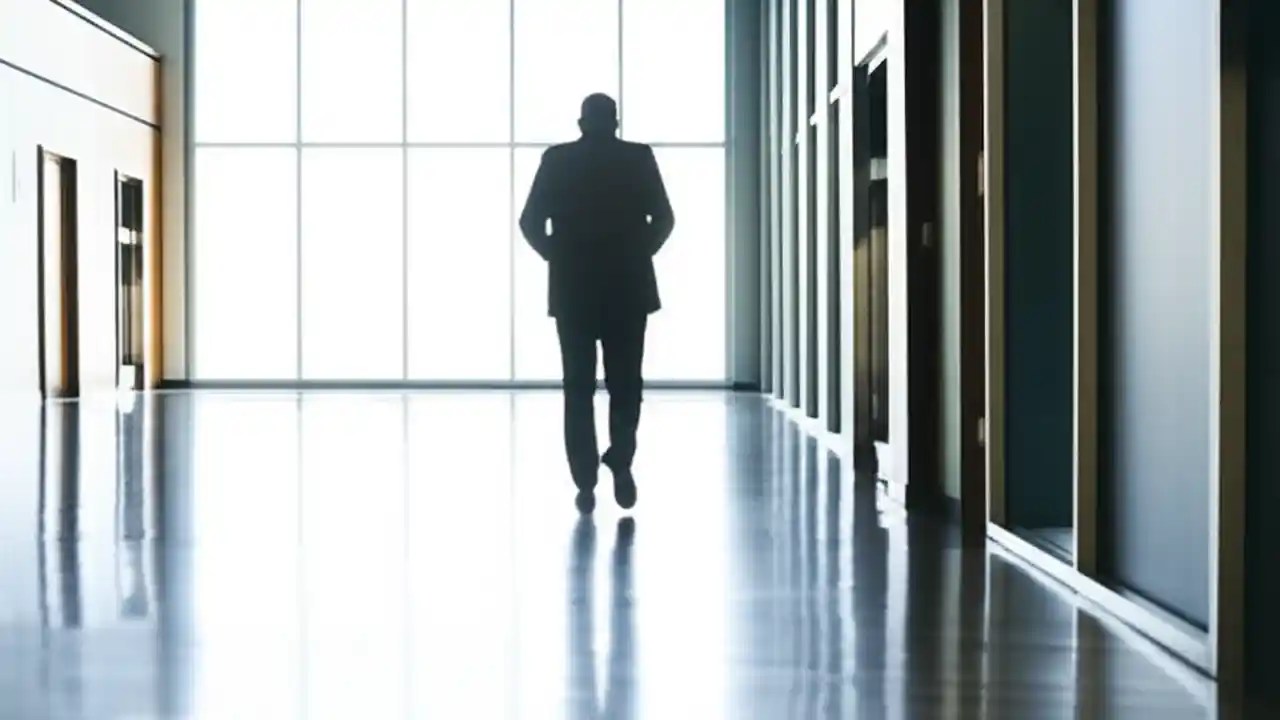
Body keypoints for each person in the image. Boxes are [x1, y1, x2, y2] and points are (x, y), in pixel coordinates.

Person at [519, 93, 674, 514]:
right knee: (626, 384)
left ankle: (584, 475)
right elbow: (664, 218)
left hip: (574, 290)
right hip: (628, 287)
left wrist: (558, 256)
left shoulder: (557, 160)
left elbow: (529, 222)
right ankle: (620, 461)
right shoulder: (638, 158)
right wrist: (638, 251)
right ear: (617, 122)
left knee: (578, 386)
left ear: (580, 123)